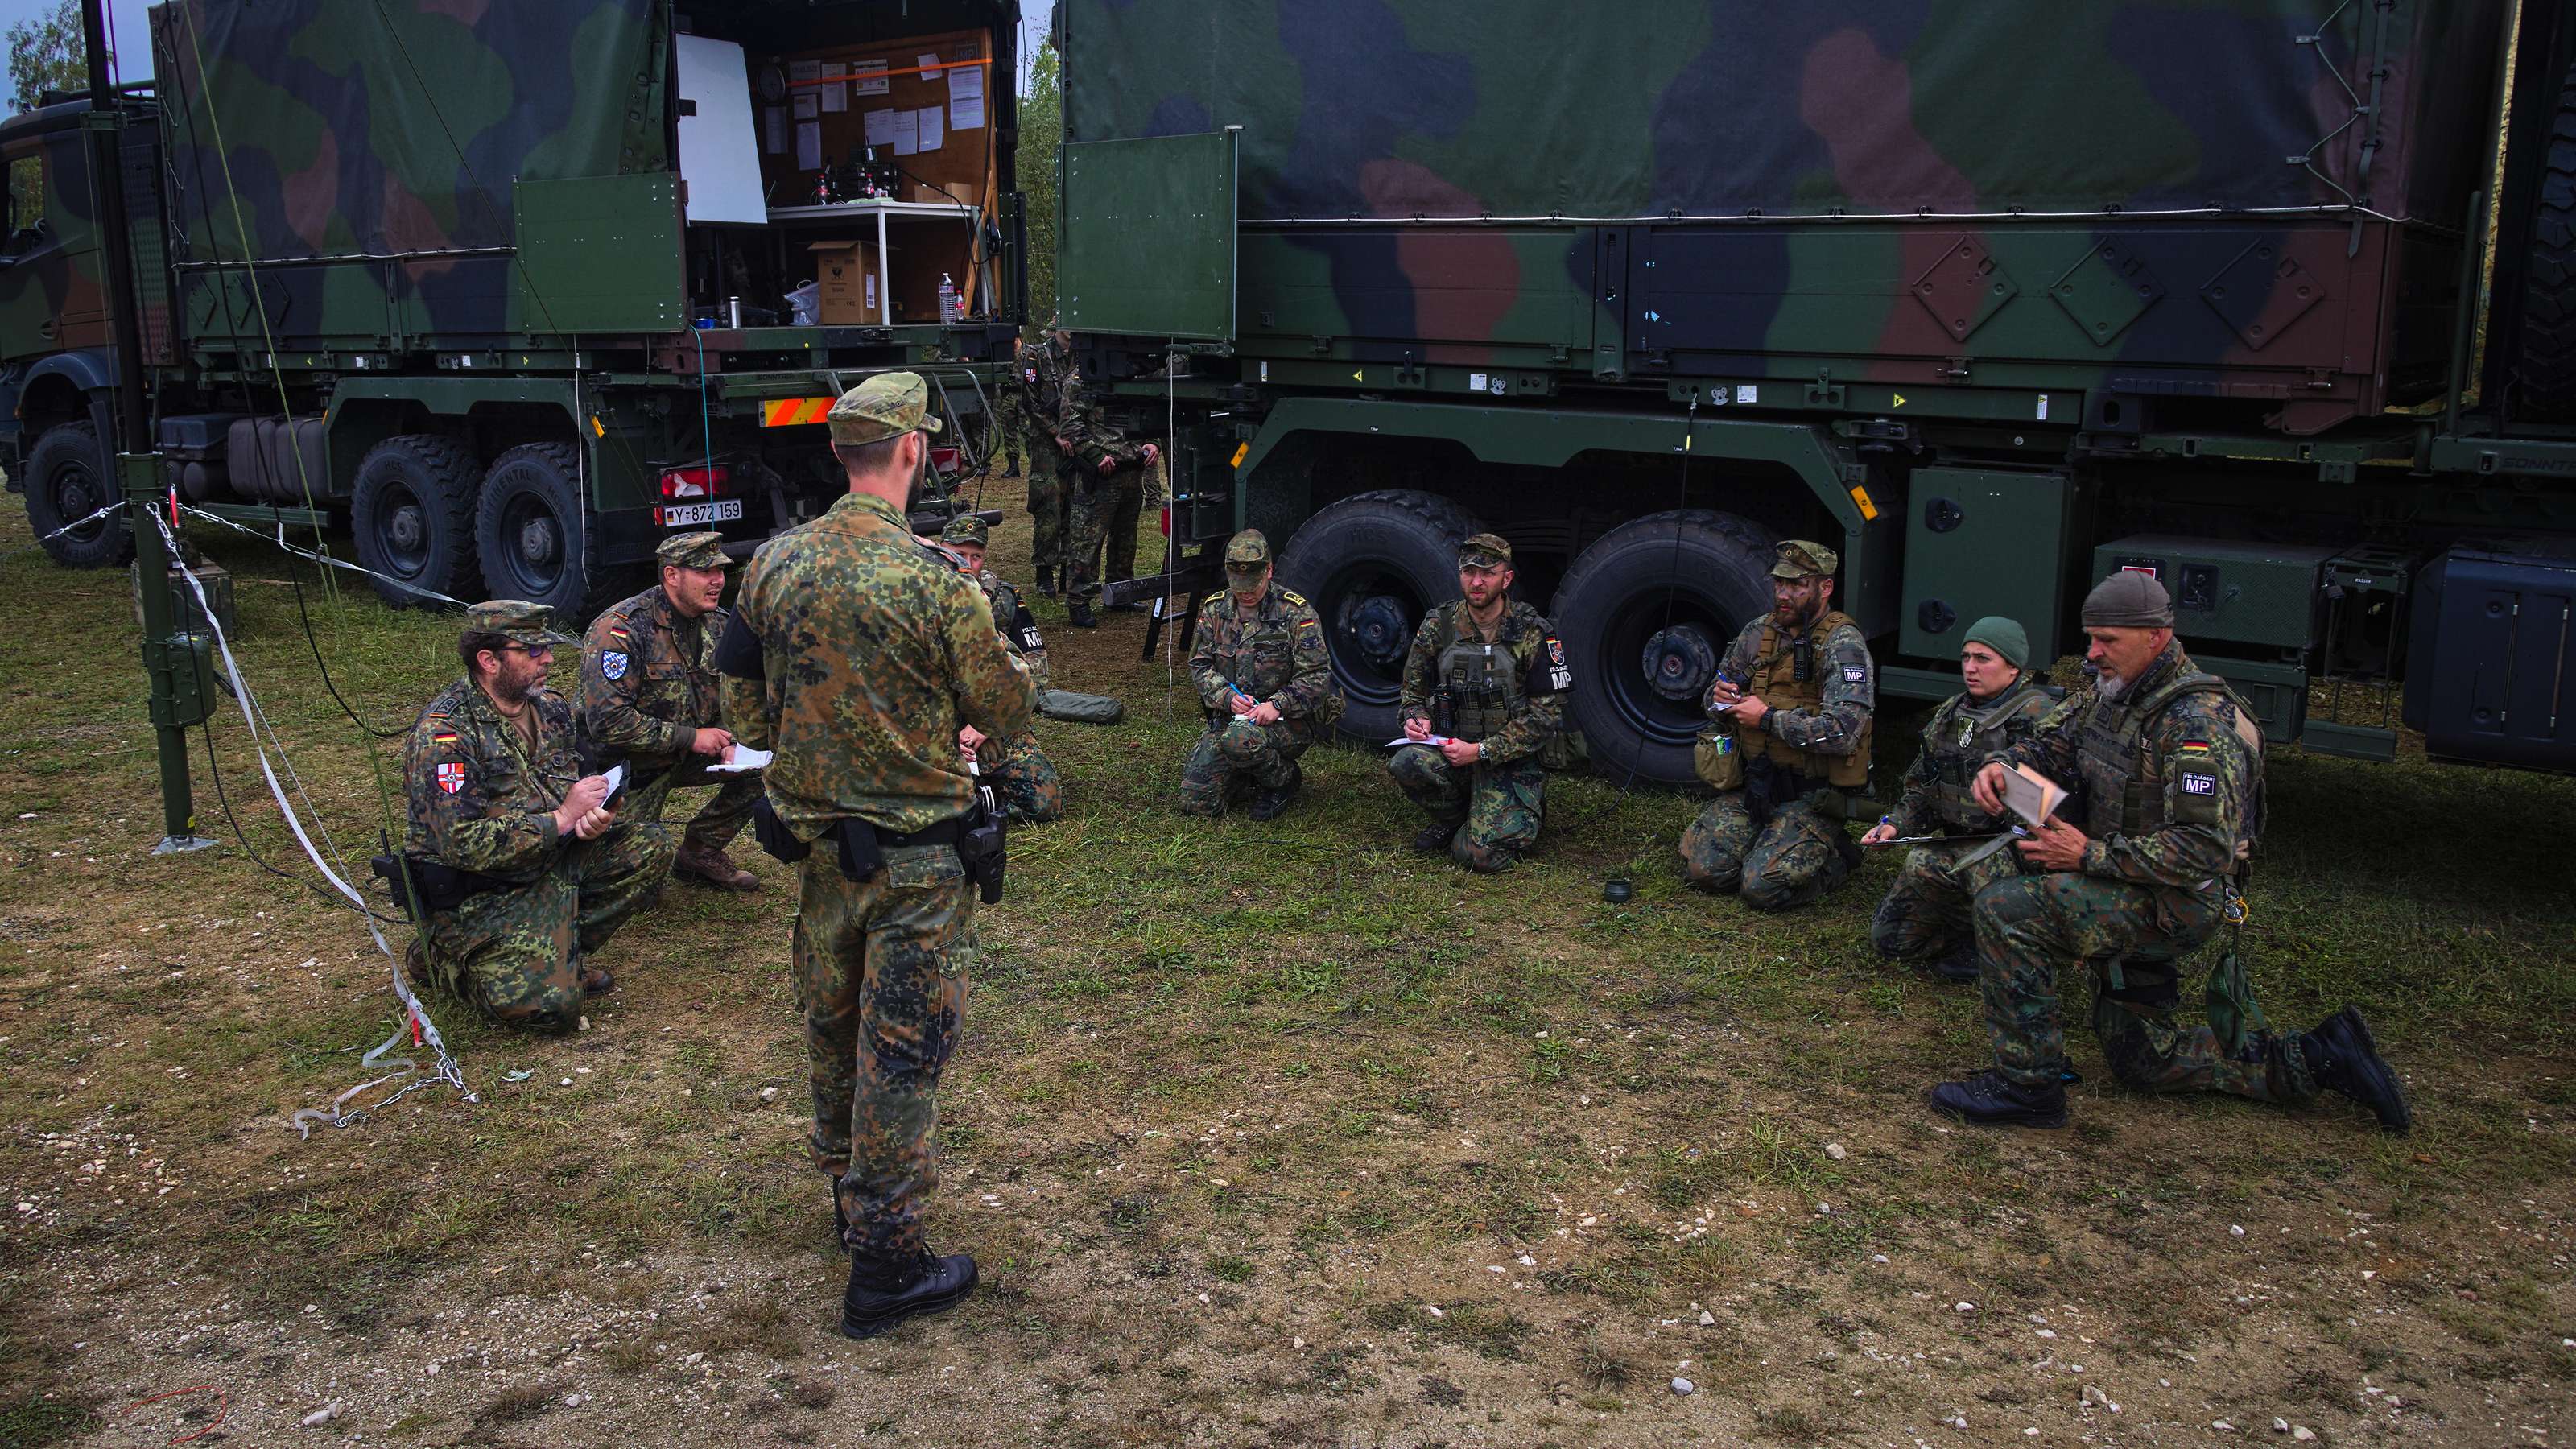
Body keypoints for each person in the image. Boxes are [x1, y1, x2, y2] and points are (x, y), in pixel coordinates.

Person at [716, 371, 1036, 1340]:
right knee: (900, 1050)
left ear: (840, 454)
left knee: (833, 1020)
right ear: (912, 450)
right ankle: (887, 1261)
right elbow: (1005, 711)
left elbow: (734, 688)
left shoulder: (770, 565)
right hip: (916, 861)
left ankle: (845, 1197)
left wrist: (784, 779)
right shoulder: (937, 581)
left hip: (820, 850)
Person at [1928, 571, 2410, 1133]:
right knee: (2143, 1061)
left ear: (2156, 636)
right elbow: (2051, 743)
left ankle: (2027, 1086)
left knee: (2006, 909)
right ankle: (2321, 1058)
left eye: (2107, 640)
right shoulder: (2112, 693)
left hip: (2174, 902)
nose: (2093, 653)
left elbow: (2205, 849)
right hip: (2131, 883)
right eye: (2091, 638)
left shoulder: (2196, 723)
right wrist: (2003, 765)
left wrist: (2087, 855)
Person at [398, 601, 671, 1033]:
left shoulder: (551, 709)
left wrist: (594, 816)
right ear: (488, 661)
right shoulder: (445, 736)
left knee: (649, 845)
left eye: (546, 647)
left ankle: (557, 950)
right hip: (482, 894)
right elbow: (463, 844)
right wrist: (562, 819)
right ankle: (443, 955)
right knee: (551, 1012)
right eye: (531, 651)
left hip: (548, 865)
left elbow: (573, 780)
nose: (547, 659)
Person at [1679, 539, 1875, 910]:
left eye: (1796, 586)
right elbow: (1711, 699)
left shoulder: (1843, 645)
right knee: (1706, 870)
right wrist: (1721, 699)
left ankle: (1839, 857)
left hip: (1811, 794)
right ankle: (1767, 841)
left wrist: (1767, 719)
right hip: (1757, 784)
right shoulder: (1757, 633)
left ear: (1825, 588)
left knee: (1762, 888)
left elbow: (1844, 733)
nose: (1783, 595)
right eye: (1779, 584)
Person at [1860, 616, 2056, 980]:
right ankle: (1972, 929)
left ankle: (2008, 943)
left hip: (2017, 853)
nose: (1970, 667)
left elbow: (2054, 809)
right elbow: (1923, 787)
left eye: (1983, 659)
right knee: (1891, 940)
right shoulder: (1951, 714)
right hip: (1960, 843)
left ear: (2013, 667)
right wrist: (1894, 825)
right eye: (1966, 657)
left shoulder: (2040, 720)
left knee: (1928, 862)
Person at [577, 531, 762, 892]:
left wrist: (729, 740)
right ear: (672, 576)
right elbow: (606, 723)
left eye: (721, 571)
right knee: (625, 878)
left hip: (682, 754)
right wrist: (691, 737)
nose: (718, 581)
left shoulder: (718, 625)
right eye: (705, 571)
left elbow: (733, 697)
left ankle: (699, 851)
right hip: (624, 768)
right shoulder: (621, 630)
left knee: (763, 768)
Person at [1387, 533, 1572, 872]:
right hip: (1452, 748)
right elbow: (1411, 693)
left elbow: (1545, 718)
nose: (1476, 581)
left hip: (1508, 759)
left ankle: (1510, 815)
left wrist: (1482, 751)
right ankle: (1456, 817)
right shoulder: (1438, 625)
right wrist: (1416, 718)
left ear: (1507, 578)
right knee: (1407, 762)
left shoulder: (1533, 632)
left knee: (1476, 856)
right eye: (1469, 572)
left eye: (1487, 573)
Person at [1179, 529, 1343, 820]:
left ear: (1269, 570)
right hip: (1232, 718)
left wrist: (1277, 703)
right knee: (1197, 802)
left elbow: (1317, 675)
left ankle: (1283, 779)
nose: (1245, 592)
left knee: (1239, 742)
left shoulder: (1295, 613)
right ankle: (1246, 772)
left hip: (1287, 721)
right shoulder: (1216, 609)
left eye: (1252, 585)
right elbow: (1200, 664)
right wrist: (1227, 697)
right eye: (1238, 584)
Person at [939, 513, 1063, 823]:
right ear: (941, 550)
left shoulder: (1003, 600)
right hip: (933, 722)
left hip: (993, 717)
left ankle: (981, 803)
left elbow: (1036, 671)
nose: (965, 563)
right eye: (957, 553)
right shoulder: (914, 597)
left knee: (1044, 801)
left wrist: (987, 723)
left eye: (976, 556)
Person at [1055, 365, 1159, 629]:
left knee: (1126, 538)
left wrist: (1151, 442)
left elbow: (1146, 415)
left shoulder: (1132, 375)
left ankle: (1120, 593)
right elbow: (1069, 424)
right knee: (1087, 539)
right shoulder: (1082, 379)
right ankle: (1079, 600)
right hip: (1102, 473)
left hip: (1132, 469)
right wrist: (1094, 455)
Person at [1016, 325, 1075, 595]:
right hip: (1046, 445)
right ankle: (1044, 574)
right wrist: (1056, 433)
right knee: (1048, 506)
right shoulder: (1036, 356)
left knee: (1074, 507)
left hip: (1076, 442)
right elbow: (1031, 402)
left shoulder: (1082, 357)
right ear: (1056, 328)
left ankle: (1069, 571)